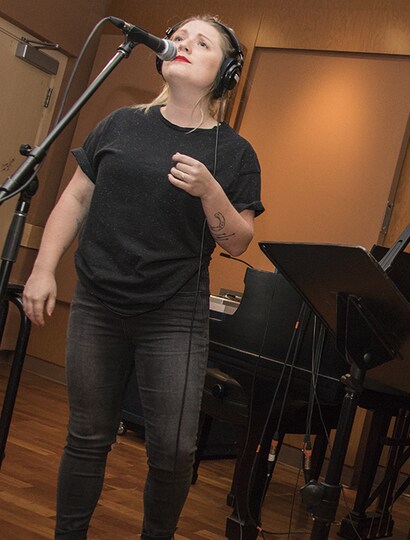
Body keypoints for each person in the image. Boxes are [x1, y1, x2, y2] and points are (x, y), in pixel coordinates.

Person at [22, 15, 262, 540]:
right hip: (97, 303)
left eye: (202, 43)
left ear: (225, 73)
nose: (182, 44)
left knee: (174, 450)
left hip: (174, 314)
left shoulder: (235, 152)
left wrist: (209, 191)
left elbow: (239, 240)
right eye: (178, 36)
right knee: (86, 437)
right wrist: (42, 269)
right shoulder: (121, 123)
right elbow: (75, 198)